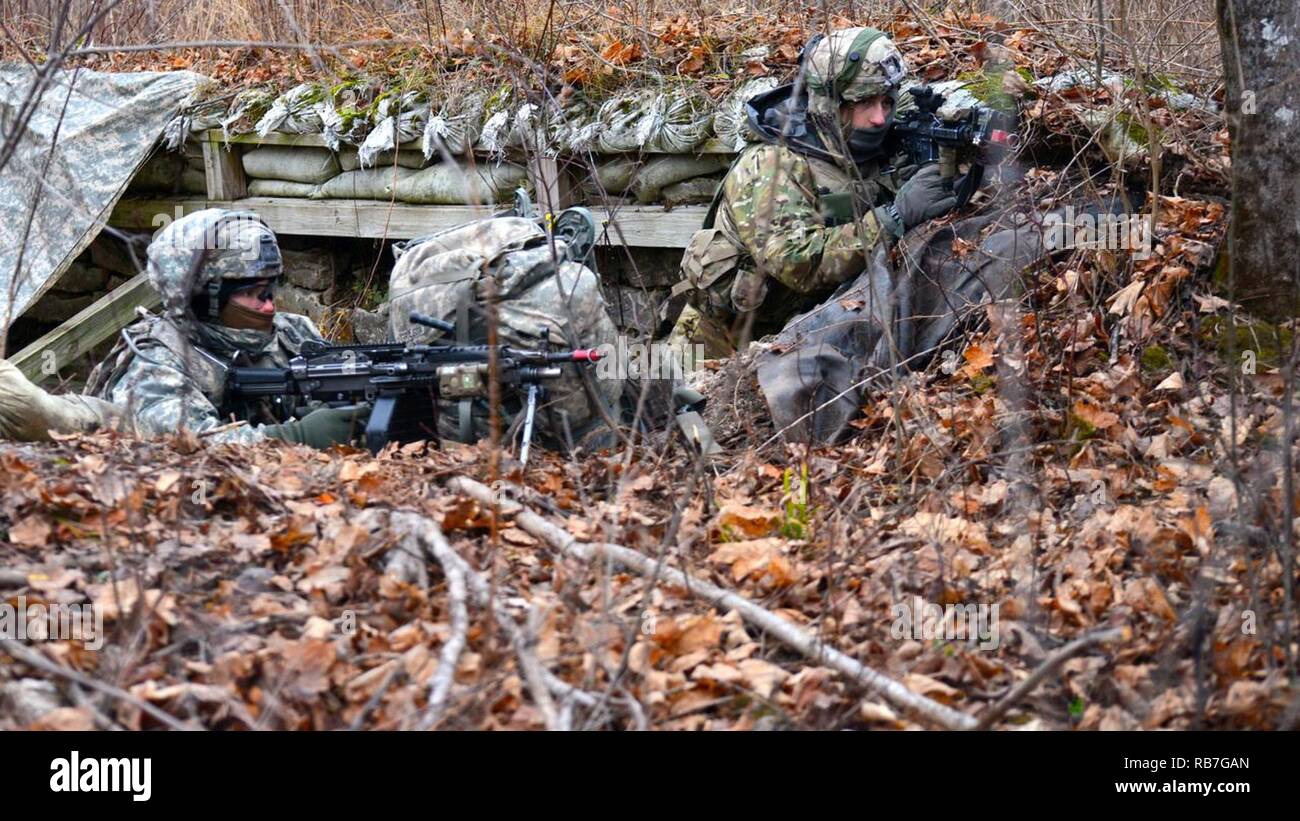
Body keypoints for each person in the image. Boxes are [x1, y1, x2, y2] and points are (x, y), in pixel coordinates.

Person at [667, 26, 960, 351]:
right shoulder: (773, 164)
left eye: (886, 102)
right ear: (828, 104)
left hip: (809, 335)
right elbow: (795, 262)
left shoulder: (874, 148)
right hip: (719, 343)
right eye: (864, 102)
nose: (880, 118)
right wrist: (895, 216)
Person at [83, 208, 360, 448]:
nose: (269, 308)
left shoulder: (294, 334)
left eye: (270, 290)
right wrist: (296, 435)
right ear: (207, 299)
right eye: (253, 293)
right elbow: (189, 449)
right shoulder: (154, 364)